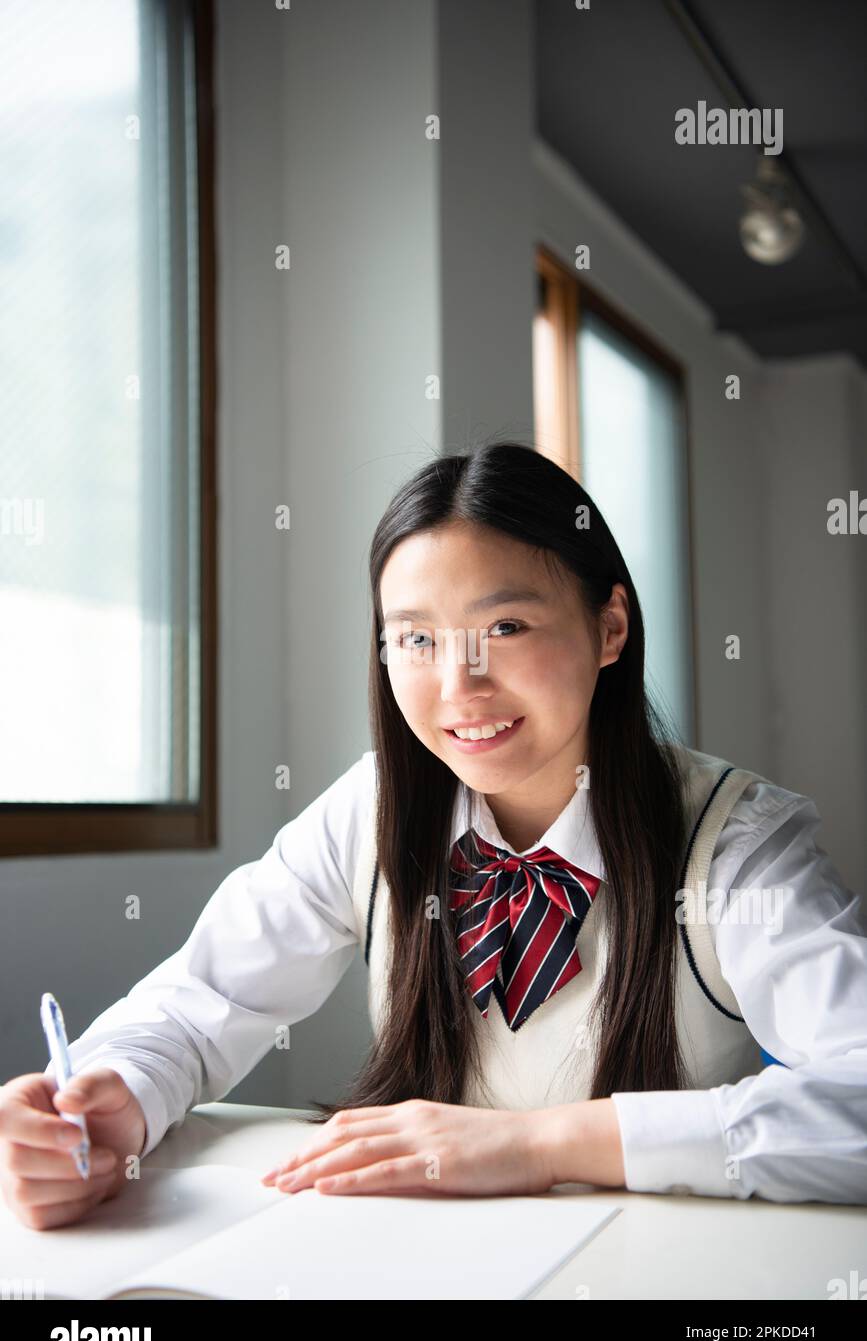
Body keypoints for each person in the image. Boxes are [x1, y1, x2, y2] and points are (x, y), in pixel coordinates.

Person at [2, 442, 865, 1230]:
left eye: (505, 627)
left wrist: (539, 1146)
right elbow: (199, 1007)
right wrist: (116, 1099)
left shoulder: (736, 839)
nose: (460, 685)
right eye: (415, 638)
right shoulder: (373, 807)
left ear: (609, 626)